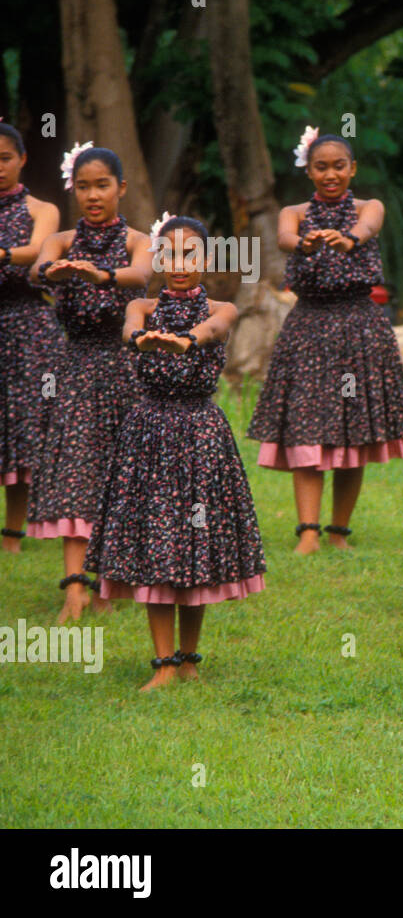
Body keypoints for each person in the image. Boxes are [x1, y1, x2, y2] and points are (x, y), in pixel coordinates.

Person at [86, 216, 265, 690]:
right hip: (148, 435)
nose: (178, 263)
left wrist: (187, 340)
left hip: (200, 436)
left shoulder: (223, 308)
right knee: (156, 544)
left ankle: (189, 658)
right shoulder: (141, 306)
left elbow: (214, 329)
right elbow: (128, 330)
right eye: (167, 254)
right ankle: (163, 664)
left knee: (195, 549)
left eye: (189, 254)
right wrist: (142, 338)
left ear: (207, 259)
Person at [248, 129, 403, 554]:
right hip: (308, 327)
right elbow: (285, 237)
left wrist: (350, 238)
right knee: (308, 429)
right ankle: (308, 530)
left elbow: (370, 223)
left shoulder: (367, 207)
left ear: (352, 169)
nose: (330, 174)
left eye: (338, 165)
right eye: (320, 166)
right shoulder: (296, 213)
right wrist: (306, 241)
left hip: (360, 328)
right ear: (309, 171)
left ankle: (339, 531)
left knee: (352, 432)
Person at [28, 144, 150, 621]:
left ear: (120, 188)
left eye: (102, 185)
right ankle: (75, 588)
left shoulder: (139, 239)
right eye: (83, 186)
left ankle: (111, 580)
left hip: (125, 370)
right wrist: (53, 269)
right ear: (73, 189)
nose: (92, 195)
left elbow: (141, 272)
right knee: (77, 471)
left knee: (121, 475)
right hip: (74, 369)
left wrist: (99, 274)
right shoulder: (60, 240)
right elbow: (37, 267)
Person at [0, 122, 63, 553]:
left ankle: (13, 532)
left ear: (22, 159)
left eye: (4, 158)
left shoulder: (42, 209)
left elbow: (38, 252)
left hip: (28, 326)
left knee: (23, 425)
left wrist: (3, 253)